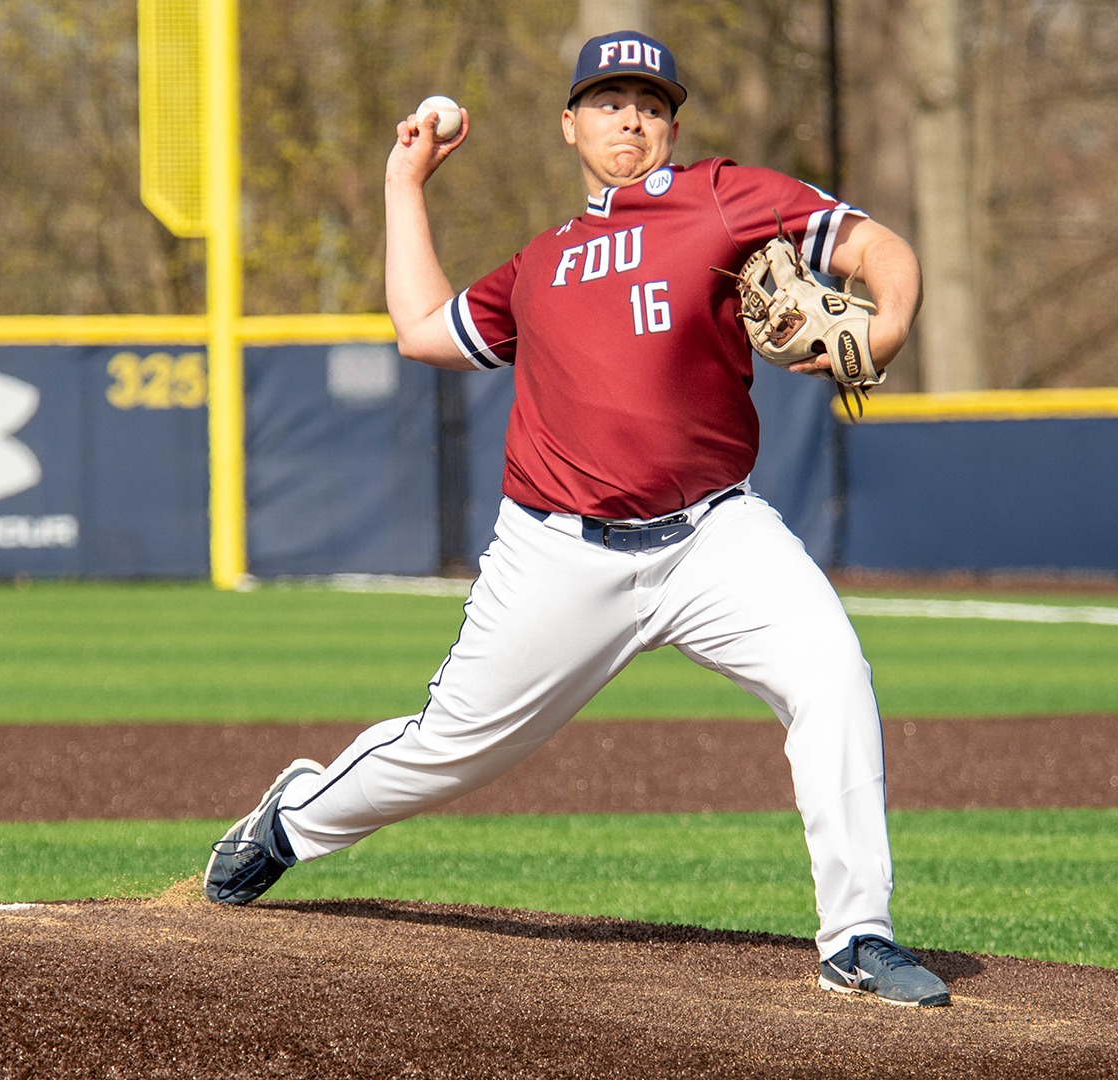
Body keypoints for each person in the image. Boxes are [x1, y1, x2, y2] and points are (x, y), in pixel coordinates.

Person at [203, 30, 950, 1008]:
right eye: (606, 100)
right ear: (569, 125)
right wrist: (403, 183)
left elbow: (873, 246)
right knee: (451, 748)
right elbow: (424, 330)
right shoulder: (538, 265)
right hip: (557, 553)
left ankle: (858, 938)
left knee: (833, 677)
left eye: (647, 102)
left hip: (714, 536)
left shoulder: (724, 195)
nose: (628, 117)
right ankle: (295, 820)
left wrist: (887, 318)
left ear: (673, 123)